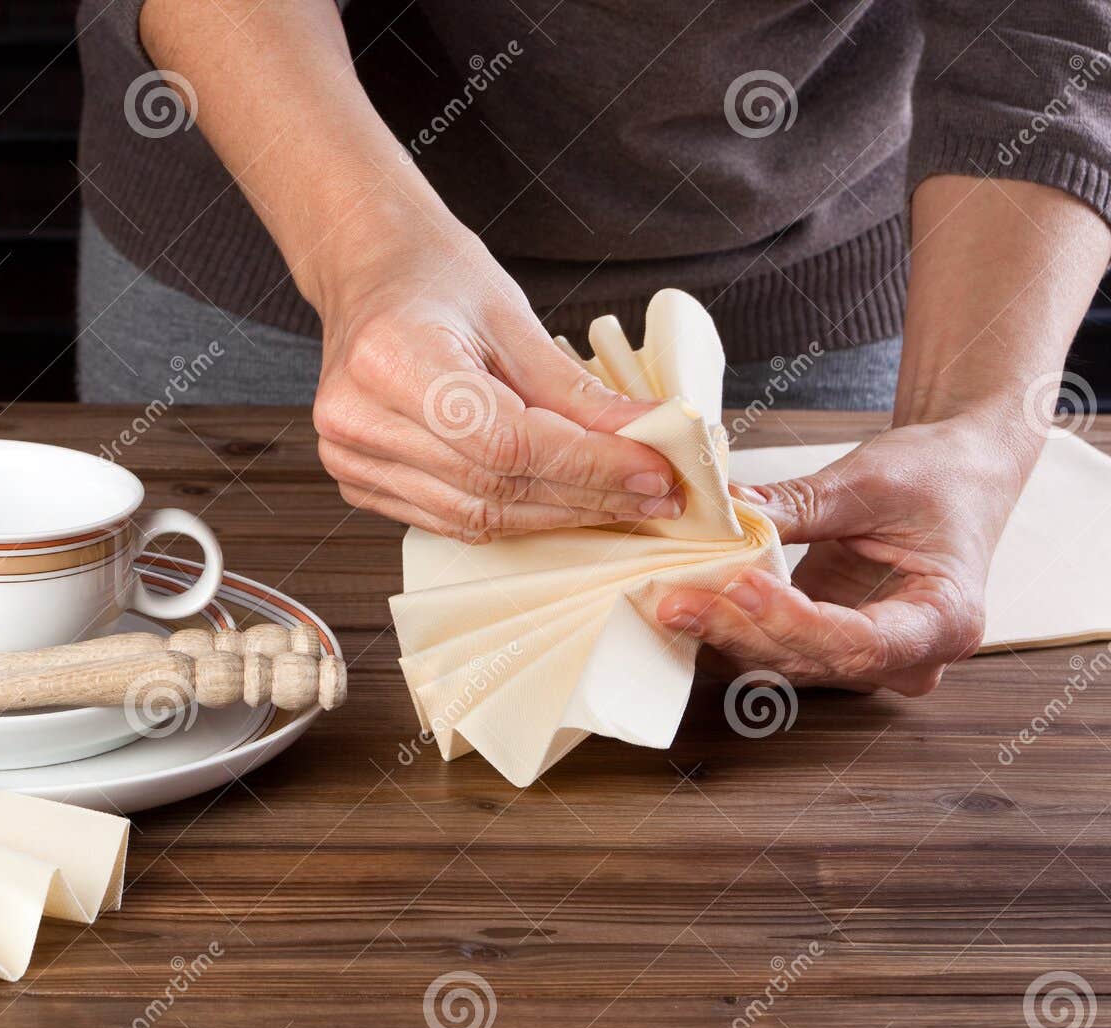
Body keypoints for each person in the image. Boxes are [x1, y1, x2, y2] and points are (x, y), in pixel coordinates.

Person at [75, 2, 1111, 696]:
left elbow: (1044, 37)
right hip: (280, 210)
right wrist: (363, 253)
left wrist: (969, 423)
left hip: (824, 269)